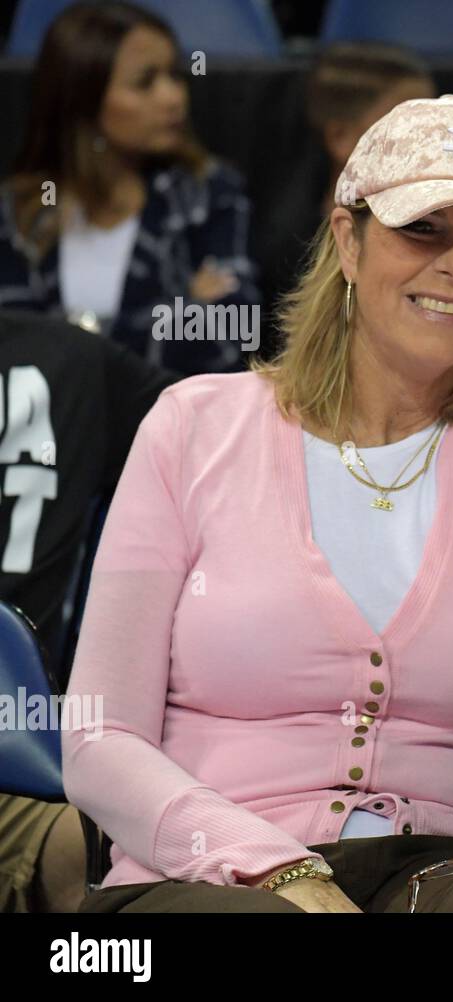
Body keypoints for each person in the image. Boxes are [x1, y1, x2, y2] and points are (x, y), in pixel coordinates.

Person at [62, 96, 453, 913]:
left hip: (445, 873)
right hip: (209, 877)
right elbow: (99, 736)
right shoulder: (194, 425)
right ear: (348, 241)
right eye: (422, 228)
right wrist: (269, 866)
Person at [0, 310, 178, 914]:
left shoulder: (73, 359)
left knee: (148, 861)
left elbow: (251, 430)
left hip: (32, 778)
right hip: (42, 779)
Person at [0, 1, 260, 375]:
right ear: (83, 99)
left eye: (174, 75)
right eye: (146, 82)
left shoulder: (208, 194)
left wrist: (83, 333)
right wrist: (178, 310)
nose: (174, 98)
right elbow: (13, 352)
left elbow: (234, 334)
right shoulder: (22, 209)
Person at [258, 43, 436, 316]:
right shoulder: (288, 250)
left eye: (435, 126)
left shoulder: (445, 220)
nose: (430, 142)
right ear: (340, 137)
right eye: (408, 128)